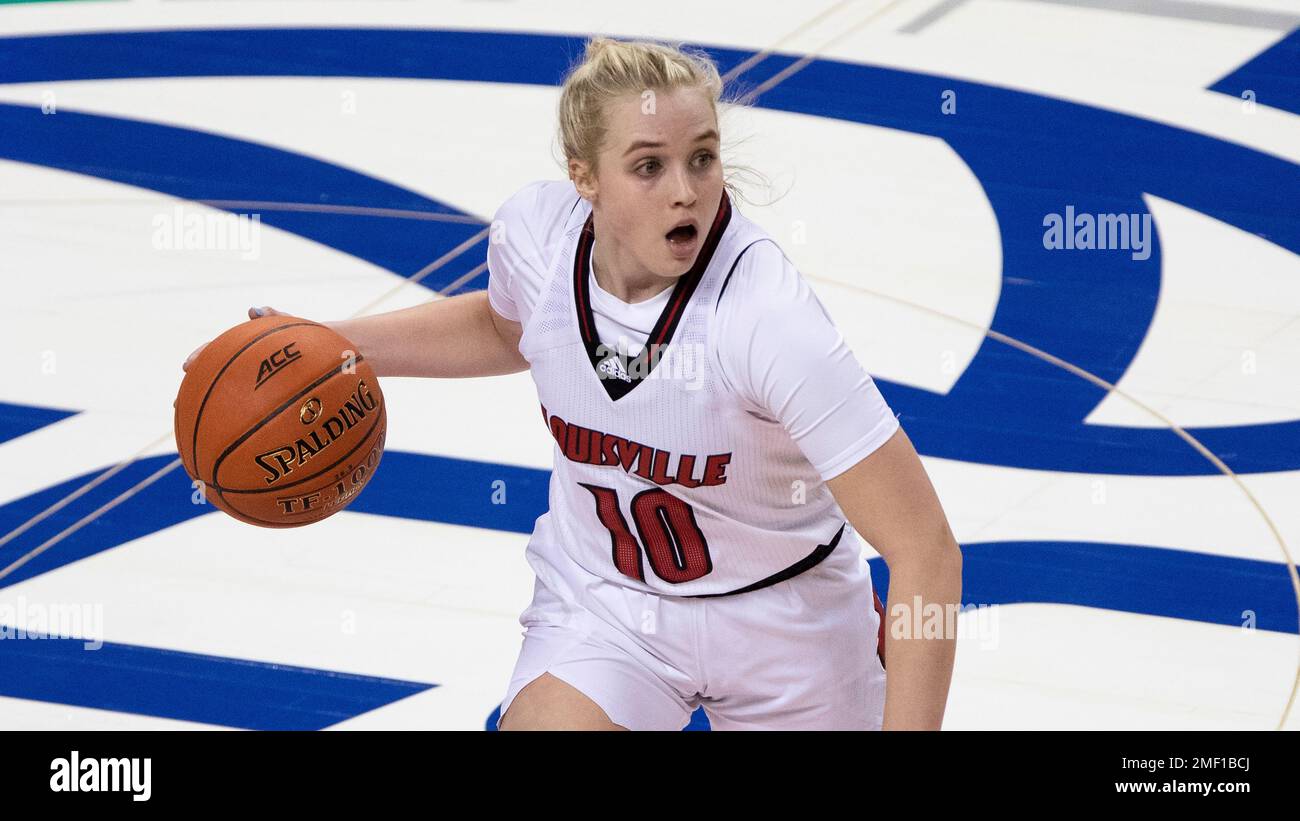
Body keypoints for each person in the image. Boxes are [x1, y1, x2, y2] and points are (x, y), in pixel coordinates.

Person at [184, 36, 962, 731]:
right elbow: (505, 327)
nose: (686, 189)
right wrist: (335, 348)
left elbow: (925, 548)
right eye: (649, 165)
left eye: (703, 156)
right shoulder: (537, 239)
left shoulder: (768, 322)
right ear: (583, 177)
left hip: (784, 618)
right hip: (609, 604)